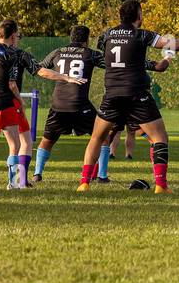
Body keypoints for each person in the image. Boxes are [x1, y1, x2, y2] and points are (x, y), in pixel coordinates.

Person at [76, 0, 179, 193]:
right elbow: (174, 43)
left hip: (112, 93)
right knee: (159, 137)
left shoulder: (106, 35)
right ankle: (161, 186)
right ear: (138, 15)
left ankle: (84, 183)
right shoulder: (141, 34)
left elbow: (113, 57)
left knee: (96, 138)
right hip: (136, 93)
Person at [33, 25, 164, 183]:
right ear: (86, 40)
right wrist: (151, 65)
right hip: (79, 104)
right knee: (103, 138)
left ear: (71, 37)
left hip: (58, 105)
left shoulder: (57, 52)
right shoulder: (89, 54)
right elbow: (115, 62)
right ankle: (102, 175)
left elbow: (39, 67)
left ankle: (37, 174)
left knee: (47, 140)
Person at [0, 19, 85, 189]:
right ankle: (14, 182)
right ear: (12, 36)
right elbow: (16, 82)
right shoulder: (12, 54)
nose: (18, 39)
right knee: (16, 144)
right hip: (6, 103)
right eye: (18, 36)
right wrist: (66, 77)